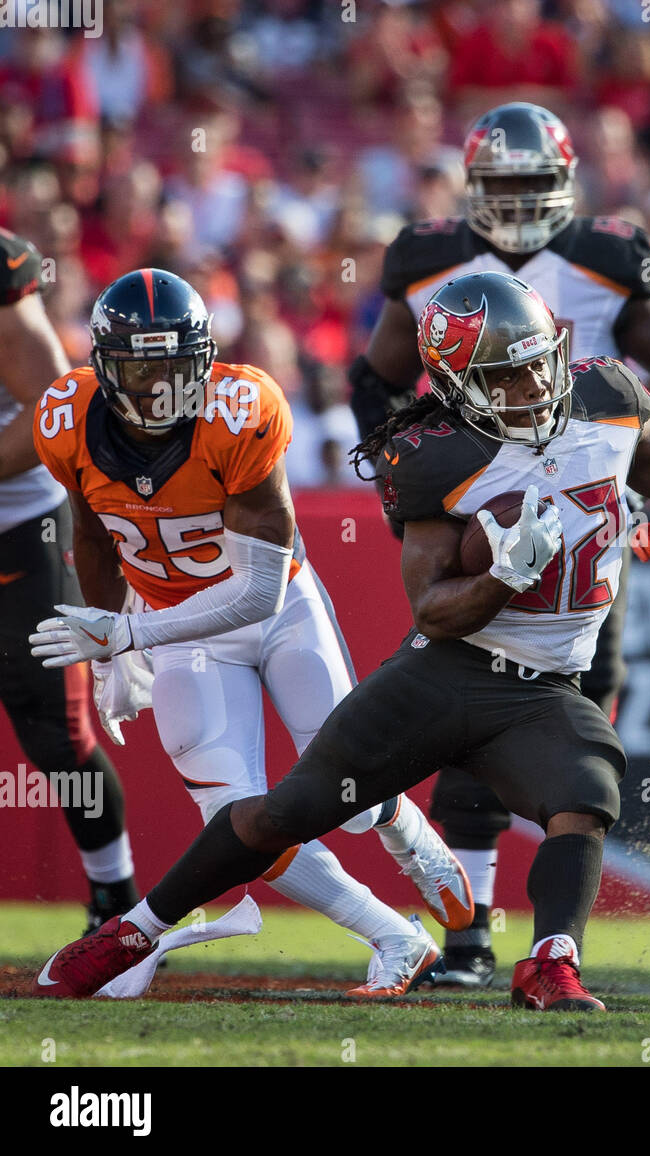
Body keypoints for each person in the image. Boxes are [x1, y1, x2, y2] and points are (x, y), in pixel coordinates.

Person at [32, 267, 650, 1009]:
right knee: (287, 812)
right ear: (457, 386)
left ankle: (552, 962)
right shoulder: (431, 452)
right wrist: (500, 579)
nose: (531, 389)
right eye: (506, 379)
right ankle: (134, 932)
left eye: (535, 368)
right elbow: (434, 611)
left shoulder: (607, 401)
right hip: (444, 674)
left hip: (546, 689)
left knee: (587, 793)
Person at [349, 101, 650, 987]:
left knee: (585, 697)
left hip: (590, 497)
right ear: (472, 188)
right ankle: (474, 934)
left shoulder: (607, 255)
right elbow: (377, 376)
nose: (516, 203)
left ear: (561, 182)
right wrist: (403, 482)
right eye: (501, 185)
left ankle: (544, 933)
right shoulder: (427, 255)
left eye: (531, 183)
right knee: (475, 692)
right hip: (482, 497)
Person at [28, 268, 472, 998]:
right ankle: (395, 935)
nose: (155, 387)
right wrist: (114, 660)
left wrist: (128, 636)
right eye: (139, 366)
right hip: (171, 628)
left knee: (349, 795)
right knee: (238, 824)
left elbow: (257, 594)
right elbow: (94, 535)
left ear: (203, 360)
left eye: (172, 366)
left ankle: (406, 830)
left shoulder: (242, 409)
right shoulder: (66, 419)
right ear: (103, 365)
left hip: (276, 611)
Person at [0, 228, 141, 935]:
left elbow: (49, 412)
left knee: (56, 733)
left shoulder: (5, 281)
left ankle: (114, 904)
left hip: (18, 531)